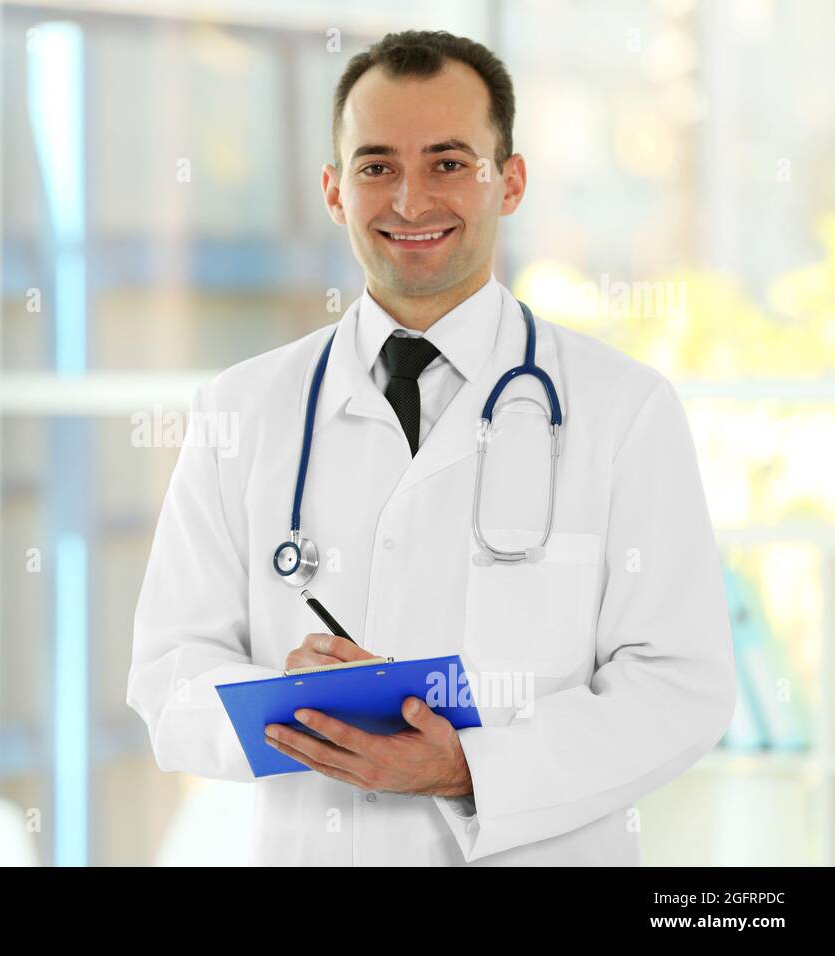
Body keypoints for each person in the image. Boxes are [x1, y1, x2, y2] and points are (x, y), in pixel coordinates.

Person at [126, 29, 735, 865]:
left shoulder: (623, 412)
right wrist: (283, 703)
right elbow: (169, 678)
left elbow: (680, 687)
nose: (410, 201)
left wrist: (472, 768)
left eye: (448, 163)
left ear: (509, 181)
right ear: (336, 191)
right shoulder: (242, 412)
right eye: (377, 166)